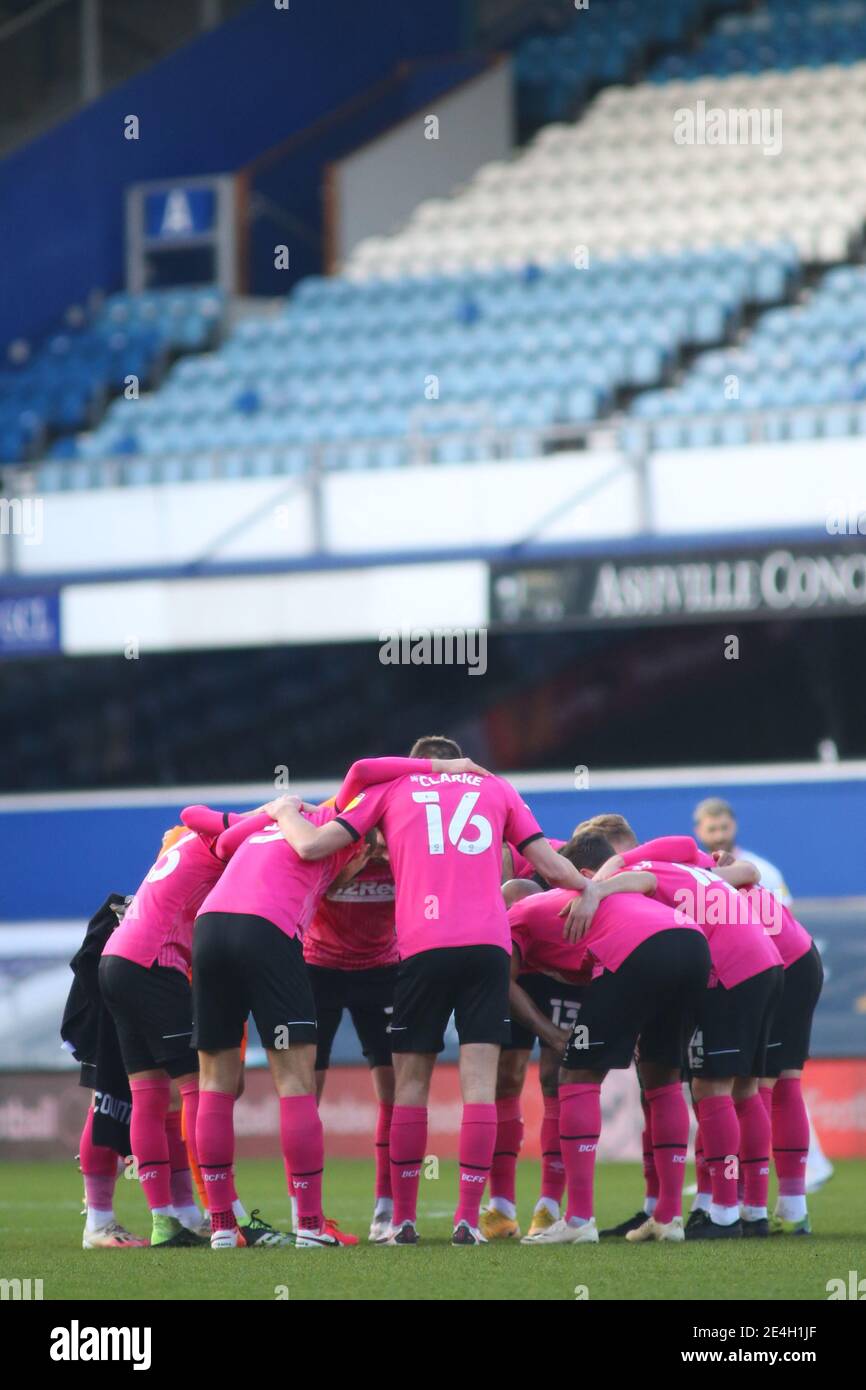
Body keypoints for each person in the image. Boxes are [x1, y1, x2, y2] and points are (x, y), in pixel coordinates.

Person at [268, 736, 584, 1247]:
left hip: (420, 948)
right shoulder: (494, 786)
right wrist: (590, 892)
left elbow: (313, 845)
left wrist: (284, 814)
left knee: (410, 1086)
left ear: (416, 763)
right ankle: (466, 1220)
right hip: (487, 946)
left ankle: (403, 1221)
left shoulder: (393, 786)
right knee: (478, 1086)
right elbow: (549, 865)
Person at [511, 831, 711, 1246]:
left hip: (638, 950)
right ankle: (670, 1217)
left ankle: (579, 1219)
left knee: (577, 1077)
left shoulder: (516, 913)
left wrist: (551, 1034)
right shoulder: (596, 894)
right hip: (692, 944)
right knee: (663, 1080)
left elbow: (500, 983)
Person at [693, 795, 832, 1192]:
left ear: (733, 826)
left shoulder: (762, 871)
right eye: (711, 828)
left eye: (723, 826)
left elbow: (782, 922)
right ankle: (737, 1182)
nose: (718, 833)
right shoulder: (697, 873)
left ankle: (761, 1184)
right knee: (755, 1082)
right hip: (747, 974)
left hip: (771, 971)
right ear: (699, 831)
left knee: (765, 1080)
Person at [304, 828, 399, 1242]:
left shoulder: (406, 852)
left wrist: (398, 861)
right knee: (305, 1096)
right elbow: (309, 892)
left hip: (382, 972)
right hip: (319, 970)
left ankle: (387, 1206)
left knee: (395, 1093)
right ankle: (307, 1212)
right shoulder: (330, 846)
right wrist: (353, 864)